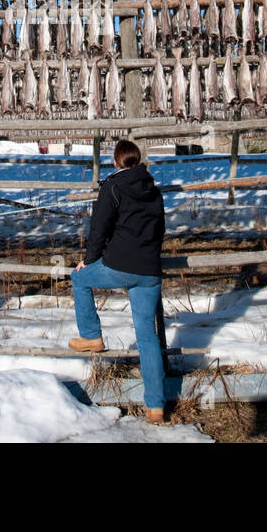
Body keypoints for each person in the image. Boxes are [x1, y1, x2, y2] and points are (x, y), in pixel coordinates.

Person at [68, 138, 167, 424]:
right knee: (147, 336)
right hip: (150, 270)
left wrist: (89, 259)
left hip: (121, 265)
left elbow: (99, 228)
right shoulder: (153, 189)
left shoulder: (112, 186)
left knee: (79, 279)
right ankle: (156, 406)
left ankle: (91, 336)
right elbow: (160, 228)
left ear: (115, 161)